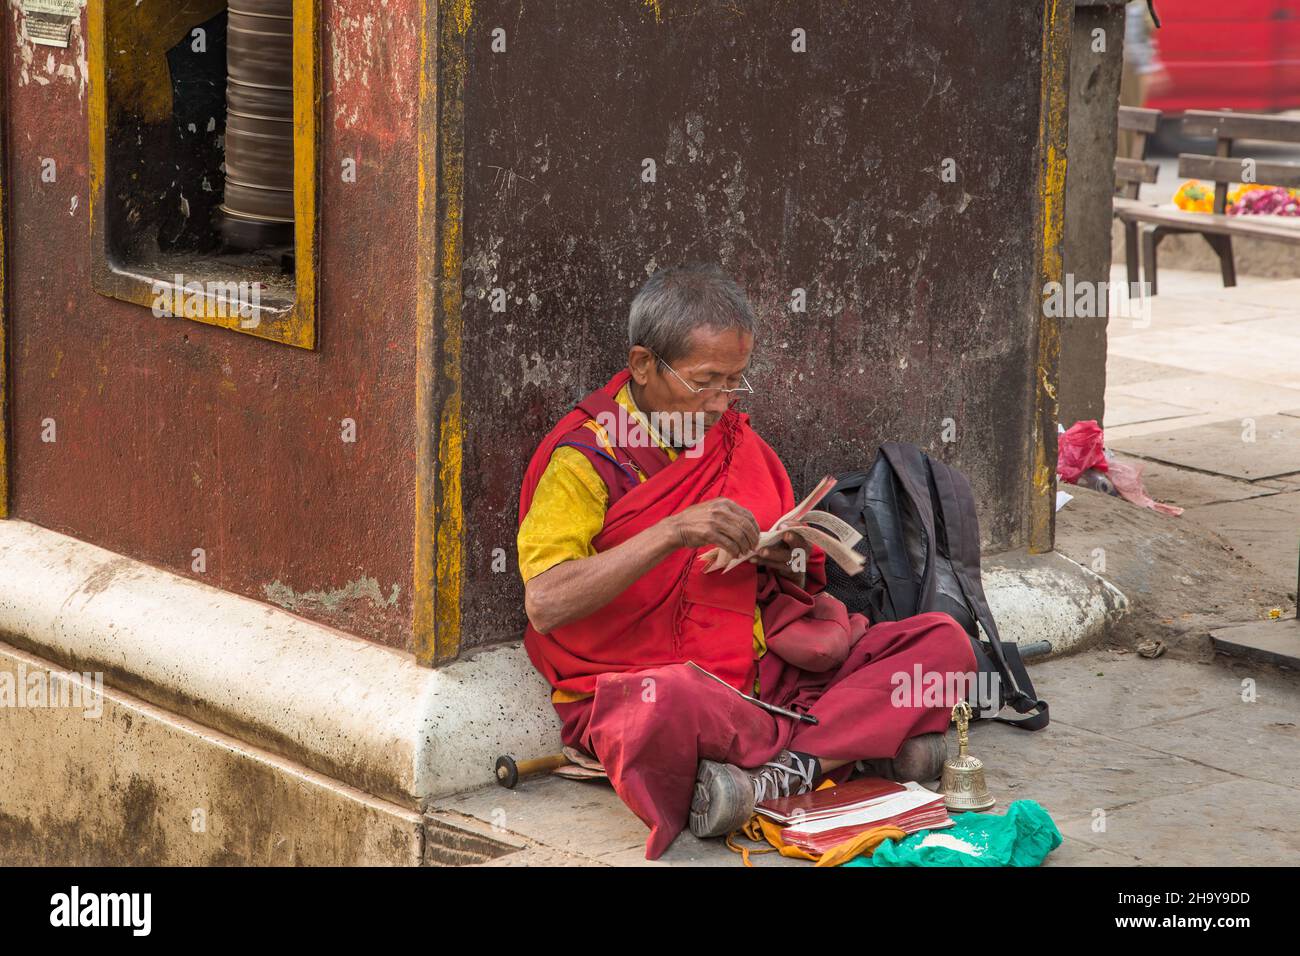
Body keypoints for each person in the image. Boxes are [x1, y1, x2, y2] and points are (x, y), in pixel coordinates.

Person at [516, 263, 978, 859]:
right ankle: (853, 748)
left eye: (735, 381)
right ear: (642, 365)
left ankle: (775, 776)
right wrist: (672, 530)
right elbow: (546, 603)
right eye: (706, 380)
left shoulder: (734, 440)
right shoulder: (585, 459)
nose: (720, 402)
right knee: (661, 702)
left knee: (942, 642)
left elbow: (789, 591)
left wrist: (784, 556)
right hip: (674, 684)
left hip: (768, 673)